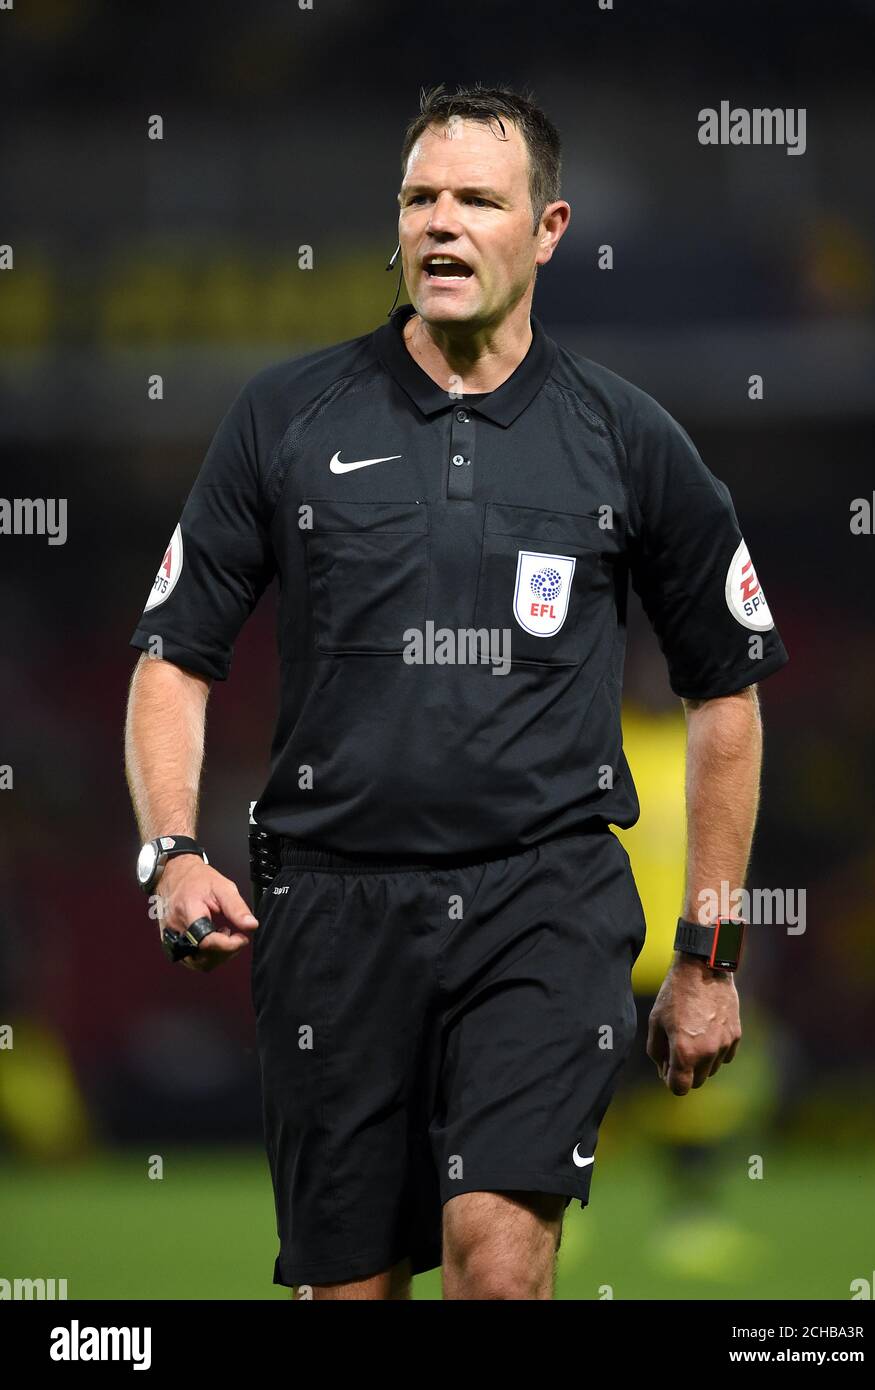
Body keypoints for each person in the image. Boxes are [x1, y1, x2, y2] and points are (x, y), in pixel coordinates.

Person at [124, 83, 789, 1300]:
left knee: (497, 1263)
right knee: (351, 1290)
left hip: (542, 901)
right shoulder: (285, 417)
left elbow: (726, 693)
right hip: (329, 911)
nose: (440, 222)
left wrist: (707, 948)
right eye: (419, 197)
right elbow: (174, 654)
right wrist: (170, 849)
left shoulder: (625, 438)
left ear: (545, 229)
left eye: (476, 200)